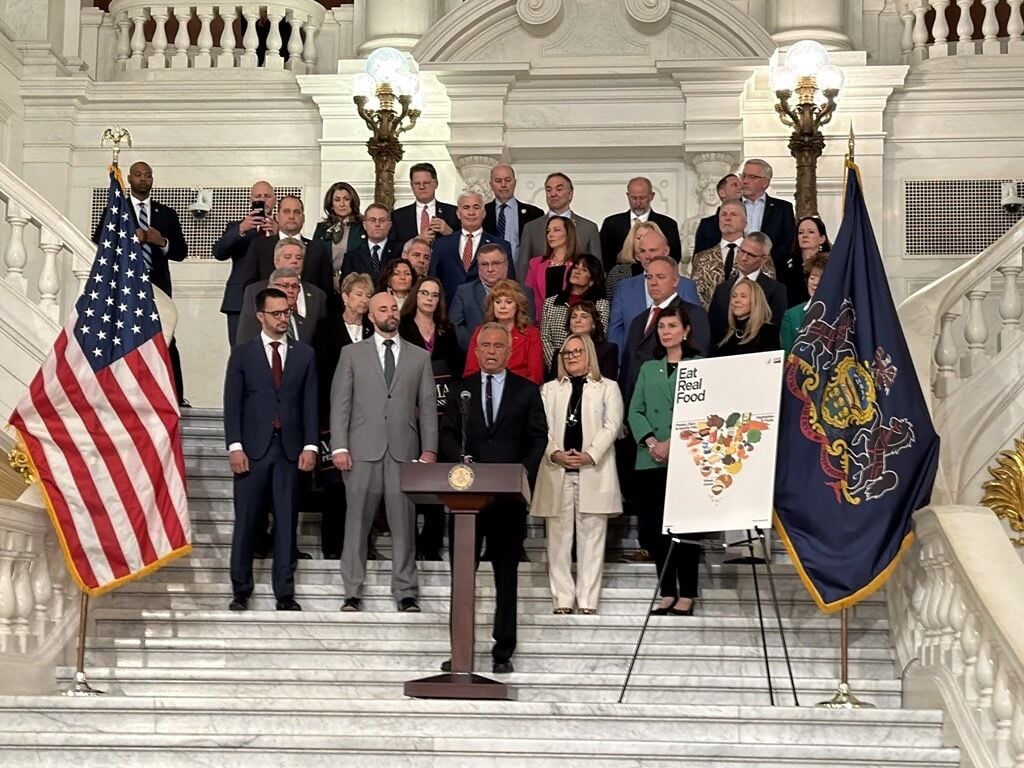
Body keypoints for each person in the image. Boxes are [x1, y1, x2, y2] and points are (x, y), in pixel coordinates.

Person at [440, 323, 548, 673]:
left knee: (506, 575)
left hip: (508, 501)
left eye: (498, 346)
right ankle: (460, 650)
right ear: (476, 350)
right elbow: (447, 434)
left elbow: (539, 437)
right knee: (462, 577)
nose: (490, 351)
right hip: (466, 500)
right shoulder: (461, 390)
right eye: (485, 345)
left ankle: (503, 651)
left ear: (509, 351)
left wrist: (523, 473)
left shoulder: (527, 391)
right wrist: (460, 459)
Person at [330, 292, 438, 613]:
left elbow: (428, 407)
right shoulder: (352, 354)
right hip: (362, 450)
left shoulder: (419, 357)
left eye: (393, 308)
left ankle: (406, 592)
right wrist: (339, 445)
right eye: (383, 309)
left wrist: (429, 450)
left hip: (404, 452)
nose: (390, 313)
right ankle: (352, 591)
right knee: (356, 523)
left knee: (404, 525)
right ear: (371, 315)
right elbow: (341, 403)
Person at [223, 288, 318, 612]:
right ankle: (241, 590)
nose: (282, 318)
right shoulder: (243, 354)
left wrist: (310, 445)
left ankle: (285, 593)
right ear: (260, 316)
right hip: (252, 451)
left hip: (289, 450)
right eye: (276, 313)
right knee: (247, 522)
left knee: (287, 522)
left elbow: (310, 402)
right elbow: (232, 403)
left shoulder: (304, 354)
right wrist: (235, 446)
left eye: (286, 312)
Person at [532, 334, 623, 614]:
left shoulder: (608, 387)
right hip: (557, 469)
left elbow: (612, 425)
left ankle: (587, 601)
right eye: (567, 353)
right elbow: (541, 427)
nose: (571, 357)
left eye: (577, 352)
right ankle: (562, 599)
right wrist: (555, 452)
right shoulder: (549, 390)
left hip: (593, 468)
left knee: (592, 539)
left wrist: (591, 454)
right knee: (558, 540)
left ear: (589, 354)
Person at [93, 160, 189, 406]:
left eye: (147, 175)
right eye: (138, 175)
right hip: (124, 282)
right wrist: (127, 238)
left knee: (165, 336)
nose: (143, 179)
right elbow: (99, 242)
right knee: (121, 335)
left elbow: (181, 251)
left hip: (157, 286)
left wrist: (161, 241)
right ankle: (116, 392)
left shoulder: (166, 213)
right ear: (129, 178)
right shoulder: (117, 208)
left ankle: (175, 396)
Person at [627, 302, 702, 616]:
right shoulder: (648, 368)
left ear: (686, 331)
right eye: (661, 326)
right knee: (657, 530)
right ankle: (667, 590)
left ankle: (688, 592)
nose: (666, 332)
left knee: (685, 529)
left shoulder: (699, 365)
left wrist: (673, 443)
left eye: (672, 326)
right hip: (651, 458)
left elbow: (703, 413)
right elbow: (635, 410)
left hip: (686, 457)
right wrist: (652, 442)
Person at [399, 275, 464, 561]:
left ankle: (433, 544)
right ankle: (410, 544)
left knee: (439, 480)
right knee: (413, 479)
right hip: (410, 417)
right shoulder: (402, 327)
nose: (429, 298)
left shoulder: (447, 330)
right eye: (425, 293)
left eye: (434, 295)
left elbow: (457, 371)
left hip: (442, 417)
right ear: (416, 295)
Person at [314, 272, 374, 560]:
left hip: (366, 421)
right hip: (332, 418)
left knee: (365, 487)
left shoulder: (373, 331)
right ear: (345, 297)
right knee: (335, 486)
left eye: (368, 295)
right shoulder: (326, 328)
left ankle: (363, 547)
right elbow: (320, 373)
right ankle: (332, 548)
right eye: (359, 294)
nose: (364, 300)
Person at [214, 180, 277, 346]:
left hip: (274, 298)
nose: (263, 200)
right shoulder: (237, 227)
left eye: (267, 196)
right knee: (240, 351)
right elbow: (219, 253)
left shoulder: (281, 228)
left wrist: (278, 234)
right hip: (239, 301)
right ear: (251, 200)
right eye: (258, 196)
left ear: (274, 200)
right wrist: (241, 229)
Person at [238, 194, 333, 299]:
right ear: (277, 217)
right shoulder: (259, 246)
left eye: (296, 212)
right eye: (286, 211)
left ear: (303, 218)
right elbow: (249, 285)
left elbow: (326, 290)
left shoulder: (318, 249)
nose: (291, 216)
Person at [236, 238, 326, 345]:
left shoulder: (317, 295)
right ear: (276, 261)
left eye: (299, 257)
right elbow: (246, 333)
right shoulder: (255, 291)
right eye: (288, 257)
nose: (294, 261)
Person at [429, 191, 512, 303]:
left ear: (484, 213)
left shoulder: (502, 245)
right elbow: (433, 280)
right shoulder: (441, 244)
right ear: (458, 213)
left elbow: (510, 284)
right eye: (466, 207)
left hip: (487, 307)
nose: (471, 212)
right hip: (449, 308)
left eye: (476, 207)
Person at [517, 172, 602, 281]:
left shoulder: (588, 228)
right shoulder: (531, 228)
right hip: (539, 290)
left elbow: (596, 270)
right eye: (549, 190)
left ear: (570, 194)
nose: (553, 194)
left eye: (559, 189)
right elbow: (523, 269)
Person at [449, 242, 535, 350]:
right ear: (478, 266)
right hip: (473, 352)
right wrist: (480, 346)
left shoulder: (524, 292)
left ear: (506, 264)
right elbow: (454, 326)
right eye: (484, 264)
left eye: (496, 263)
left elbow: (528, 327)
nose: (490, 269)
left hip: (516, 353)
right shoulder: (464, 292)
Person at [690, 201, 774, 308]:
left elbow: (769, 287)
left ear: (745, 222)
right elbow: (695, 294)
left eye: (733, 214)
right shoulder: (702, 257)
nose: (727, 218)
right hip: (710, 316)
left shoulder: (759, 254)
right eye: (723, 214)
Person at [707, 231, 788, 343]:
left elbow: (776, 327)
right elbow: (712, 329)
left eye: (751, 255)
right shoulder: (722, 288)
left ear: (764, 259)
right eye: (742, 251)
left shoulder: (776, 289)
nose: (743, 258)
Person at [464, 279, 544, 385]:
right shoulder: (481, 332)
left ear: (517, 306)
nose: (502, 306)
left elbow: (535, 376)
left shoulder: (532, 334)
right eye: (498, 302)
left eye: (508, 302)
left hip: (521, 389)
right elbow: (470, 372)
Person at [540, 253, 609, 370]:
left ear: (592, 279)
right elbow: (545, 338)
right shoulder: (551, 302)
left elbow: (599, 336)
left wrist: (581, 364)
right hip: (556, 367)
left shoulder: (600, 304)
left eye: (584, 270)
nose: (577, 271)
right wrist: (559, 365)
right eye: (575, 267)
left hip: (588, 367)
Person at [599, 176, 682, 271]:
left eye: (642, 198)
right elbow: (604, 257)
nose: (638, 203)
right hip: (621, 276)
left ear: (652, 196)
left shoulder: (668, 224)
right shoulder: (611, 223)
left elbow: (675, 257)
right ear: (627, 195)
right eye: (634, 198)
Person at [483, 163, 544, 266]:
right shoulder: (481, 213)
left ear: (515, 183)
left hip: (523, 272)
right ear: (491, 184)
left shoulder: (534, 214)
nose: (503, 185)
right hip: (489, 271)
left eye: (508, 180)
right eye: (498, 181)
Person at [525, 216, 578, 324]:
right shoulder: (535, 263)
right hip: (543, 322)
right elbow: (529, 296)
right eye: (548, 231)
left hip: (572, 321)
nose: (550, 235)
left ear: (568, 234)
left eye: (556, 230)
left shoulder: (579, 263)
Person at [312, 181, 365, 288]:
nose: (342, 204)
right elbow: (315, 259)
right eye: (337, 200)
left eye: (346, 199)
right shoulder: (322, 229)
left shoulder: (362, 227)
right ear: (331, 205)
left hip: (355, 284)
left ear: (353, 202)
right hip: (326, 284)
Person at [391, 162, 459, 244]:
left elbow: (466, 243)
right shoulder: (398, 216)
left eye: (426, 183)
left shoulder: (453, 213)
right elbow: (392, 248)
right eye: (417, 183)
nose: (422, 187)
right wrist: (415, 241)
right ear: (411, 186)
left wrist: (450, 232)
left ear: (436, 184)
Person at [551, 301, 618, 381]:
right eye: (574, 317)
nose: (577, 320)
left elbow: (608, 383)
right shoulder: (559, 353)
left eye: (584, 316)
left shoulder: (607, 350)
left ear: (593, 324)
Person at [712, 278, 781, 356]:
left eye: (743, 296)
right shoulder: (723, 334)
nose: (737, 300)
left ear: (755, 301)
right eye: (734, 296)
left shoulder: (768, 332)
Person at [606, 220, 665, 302]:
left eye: (648, 236)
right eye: (639, 238)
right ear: (632, 242)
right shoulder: (618, 273)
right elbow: (611, 303)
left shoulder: (669, 272)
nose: (643, 241)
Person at [780, 252, 828, 354]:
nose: (815, 283)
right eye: (812, 277)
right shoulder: (791, 315)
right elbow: (787, 354)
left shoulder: (844, 313)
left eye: (822, 278)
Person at [341, 203, 401, 282]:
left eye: (382, 220)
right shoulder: (352, 256)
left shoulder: (400, 251)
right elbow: (346, 285)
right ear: (364, 225)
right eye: (372, 220)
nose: (377, 224)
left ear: (390, 225)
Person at [782, 216, 831, 306]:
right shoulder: (784, 263)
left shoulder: (830, 263)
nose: (805, 236)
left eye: (811, 232)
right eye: (801, 232)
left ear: (822, 239)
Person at [693, 173, 742, 255]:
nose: (740, 188)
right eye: (734, 185)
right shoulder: (707, 225)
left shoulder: (751, 219)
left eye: (741, 185)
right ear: (722, 193)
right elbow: (699, 257)